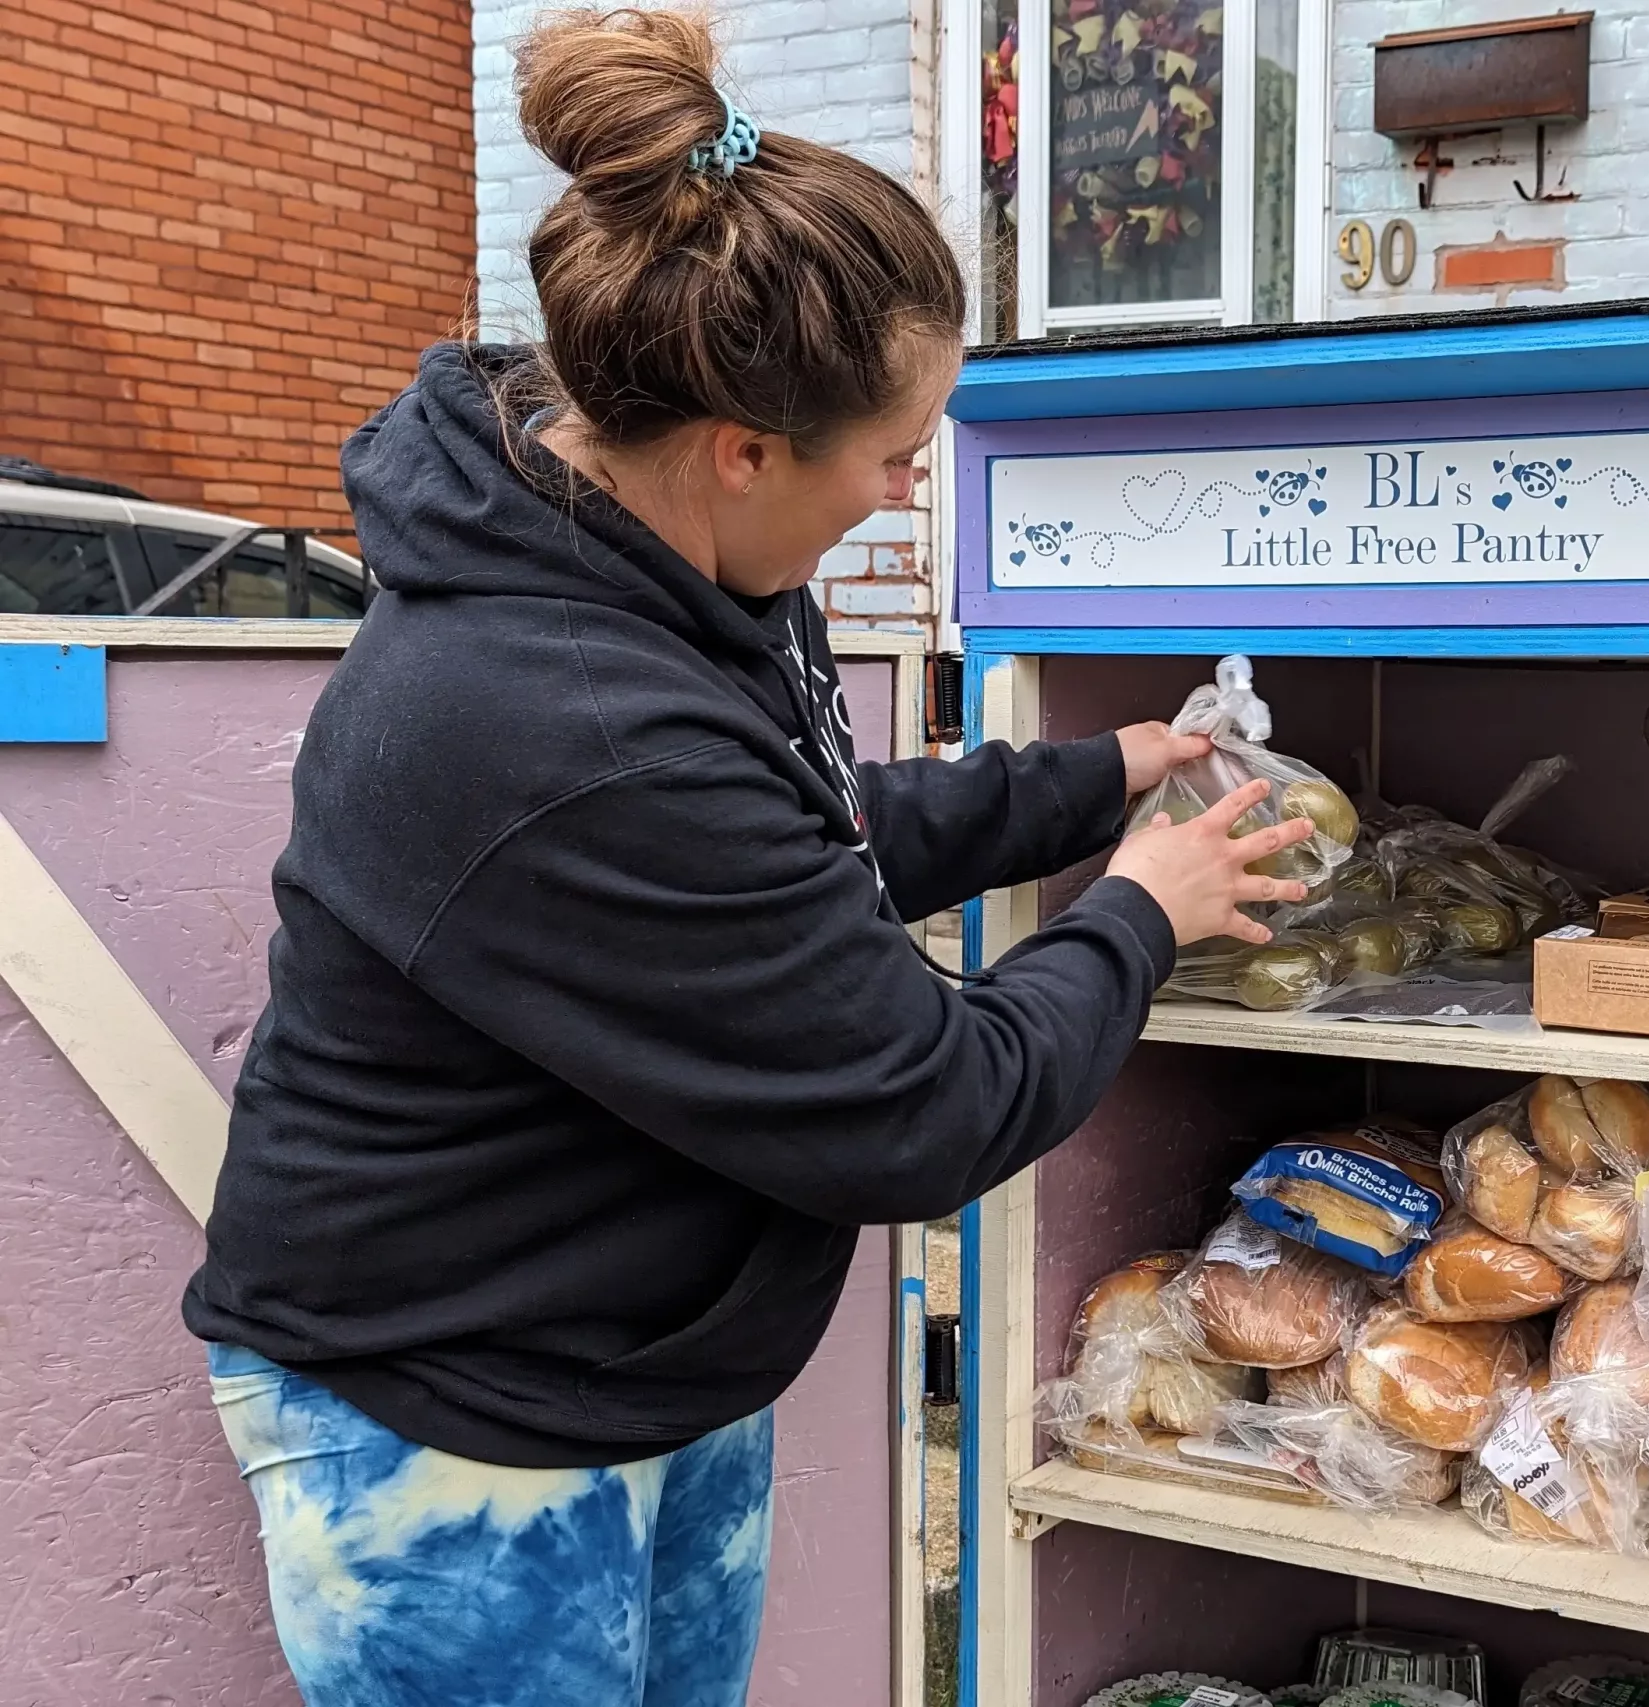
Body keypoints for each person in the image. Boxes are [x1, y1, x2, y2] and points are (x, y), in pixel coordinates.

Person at [178, 11, 1310, 1705]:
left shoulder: (658, 579)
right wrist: (1144, 907)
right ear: (746, 447)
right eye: (894, 454)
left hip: (641, 1363)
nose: (906, 489)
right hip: (454, 1423)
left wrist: (1095, 779)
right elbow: (925, 1103)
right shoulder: (563, 718)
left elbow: (804, 857)